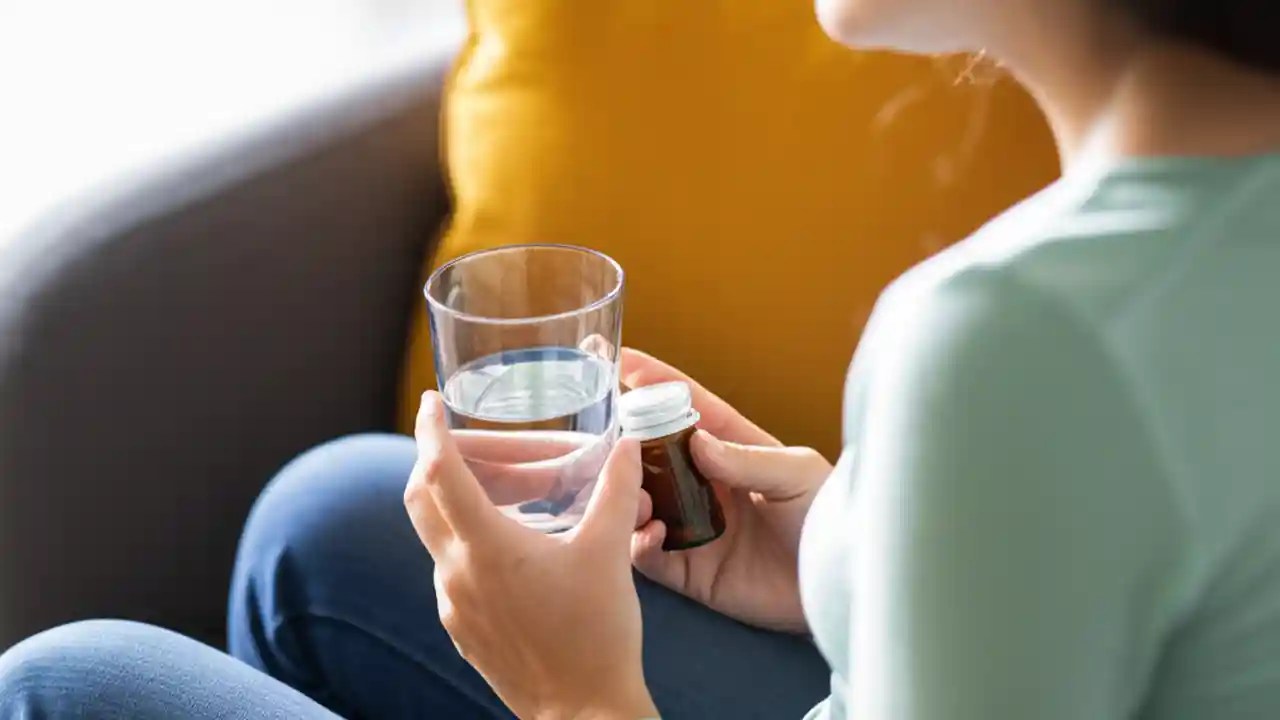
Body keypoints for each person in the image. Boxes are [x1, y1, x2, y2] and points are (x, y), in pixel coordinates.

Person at [4, 0, 1280, 717]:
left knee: (63, 689)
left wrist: (574, 690)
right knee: (328, 518)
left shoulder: (1014, 337)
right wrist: (851, 543)